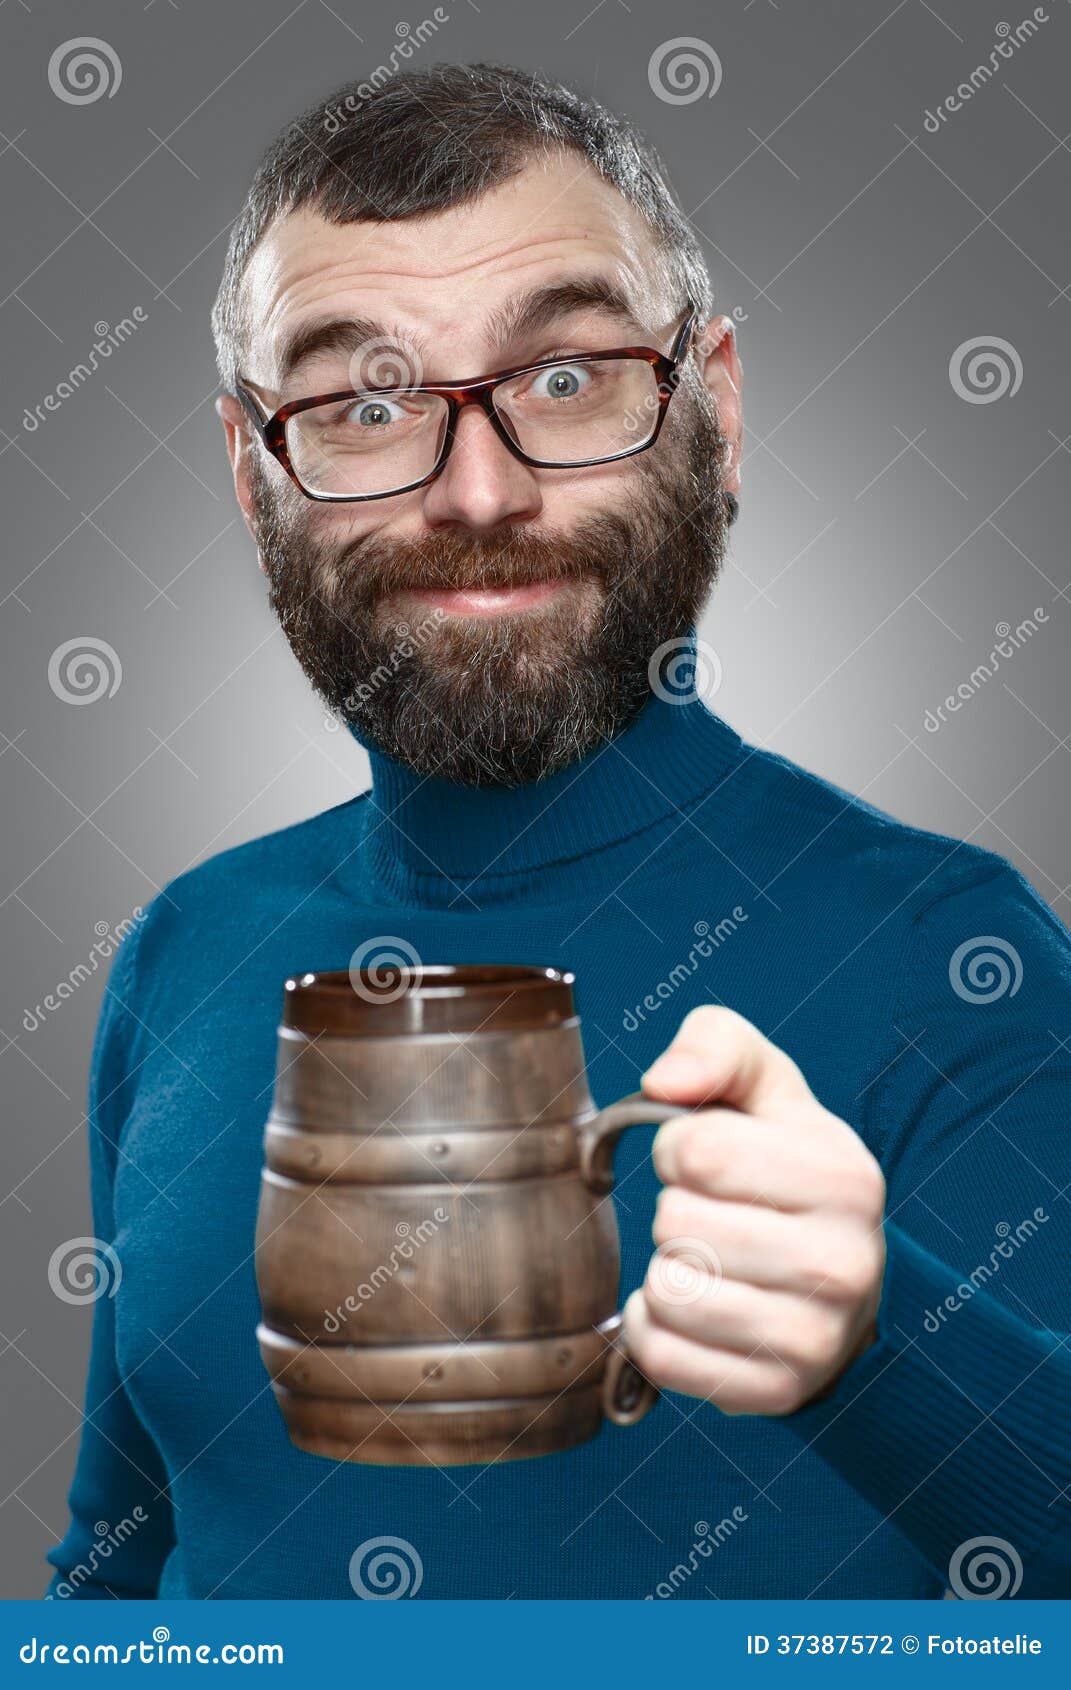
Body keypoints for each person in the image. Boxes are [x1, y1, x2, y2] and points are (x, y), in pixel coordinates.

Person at [47, 62, 1069, 1601]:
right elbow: (111, 1577)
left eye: (567, 378)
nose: (479, 488)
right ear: (255, 479)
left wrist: (885, 1338)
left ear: (715, 409)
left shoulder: (954, 951)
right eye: (367, 401)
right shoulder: (180, 951)